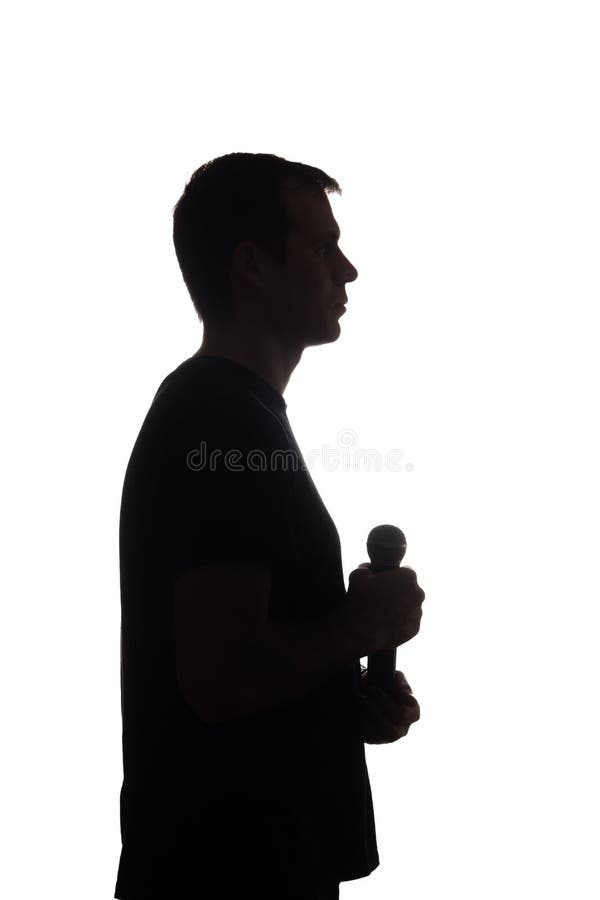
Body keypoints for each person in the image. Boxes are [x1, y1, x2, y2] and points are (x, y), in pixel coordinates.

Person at [114, 152, 425, 900]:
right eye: (322, 248)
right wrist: (358, 628)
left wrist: (342, 699)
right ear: (253, 266)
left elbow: (240, 672)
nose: (348, 271)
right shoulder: (219, 420)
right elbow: (221, 678)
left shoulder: (236, 416)